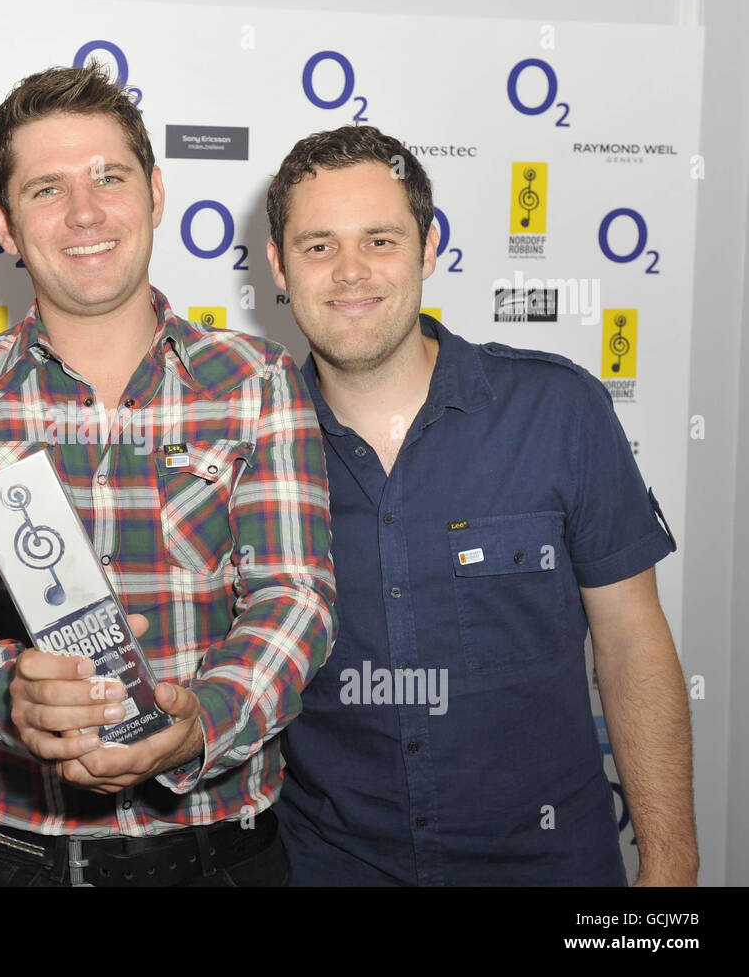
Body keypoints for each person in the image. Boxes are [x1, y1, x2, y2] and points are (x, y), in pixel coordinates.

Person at [0, 63, 336, 887]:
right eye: (47, 189)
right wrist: (6, 694)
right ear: (6, 227)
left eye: (109, 177)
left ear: (156, 193)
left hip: (221, 857)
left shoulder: (256, 381)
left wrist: (207, 719)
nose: (85, 213)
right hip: (18, 858)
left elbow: (295, 594)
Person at [266, 125, 698, 886]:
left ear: (429, 249)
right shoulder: (253, 444)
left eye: (380, 239)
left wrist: (670, 866)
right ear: (278, 265)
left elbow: (633, 642)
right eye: (318, 245)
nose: (350, 272)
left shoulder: (558, 410)